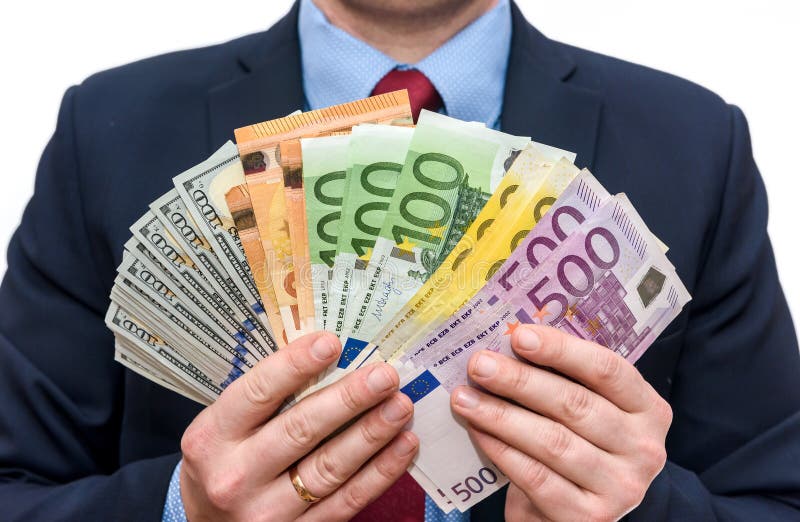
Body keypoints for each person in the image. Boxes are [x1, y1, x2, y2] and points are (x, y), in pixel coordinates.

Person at [1, 0, 798, 520]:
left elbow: (774, 498)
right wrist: (184, 509)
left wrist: (641, 510)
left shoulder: (696, 144)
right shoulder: (105, 129)